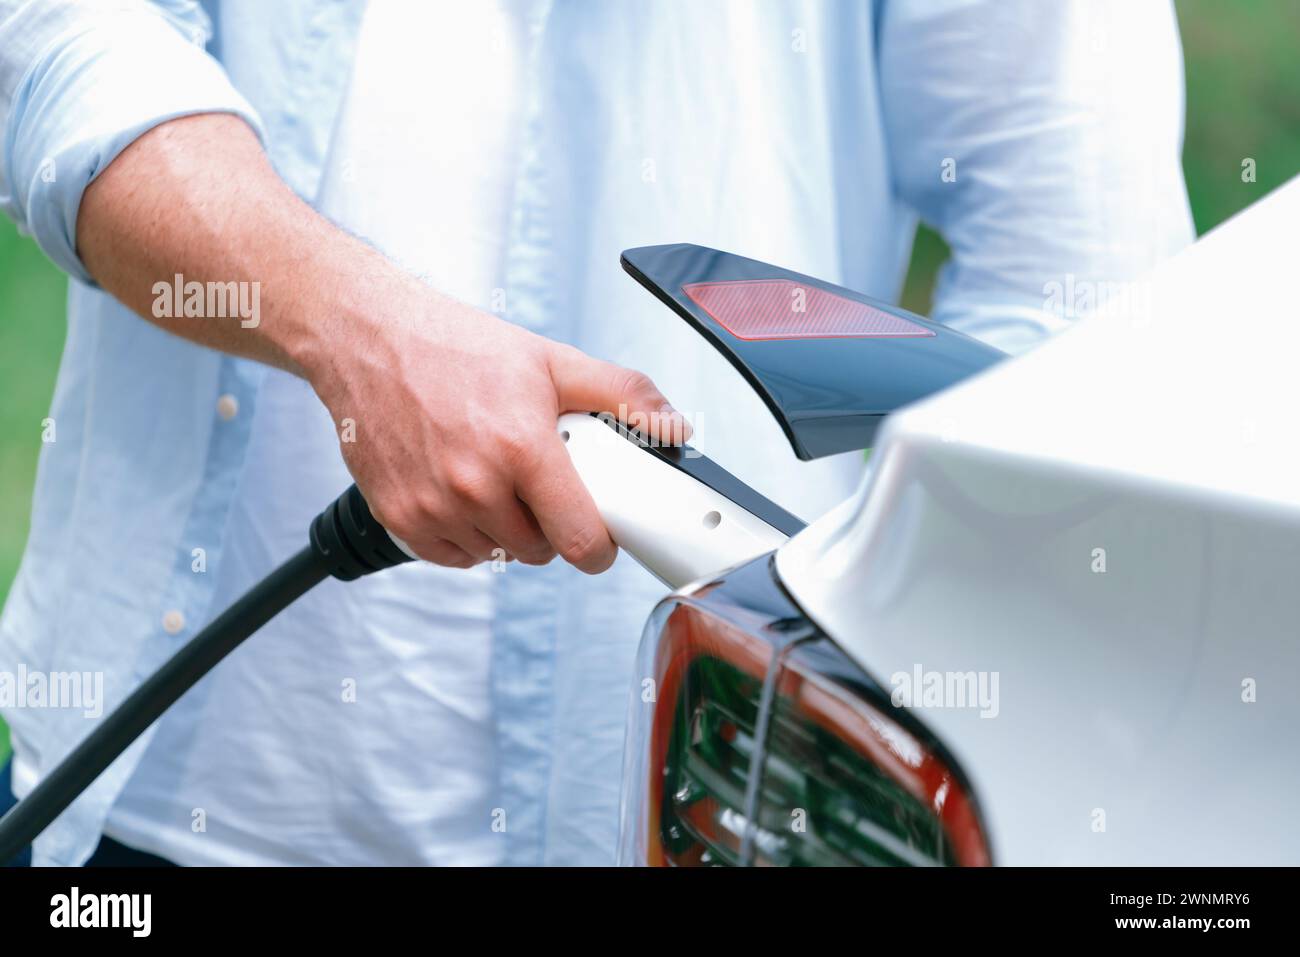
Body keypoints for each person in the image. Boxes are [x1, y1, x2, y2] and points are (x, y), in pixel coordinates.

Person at [0, 0, 1193, 866]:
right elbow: (64, 47)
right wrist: (357, 329)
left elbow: (1075, 267)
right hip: (146, 810)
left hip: (697, 817)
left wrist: (878, 629)